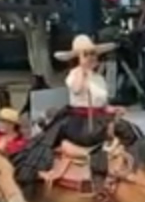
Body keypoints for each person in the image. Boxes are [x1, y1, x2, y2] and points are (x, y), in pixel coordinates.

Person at [17, 35, 127, 185]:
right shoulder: (74, 74)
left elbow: (101, 103)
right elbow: (76, 89)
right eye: (86, 55)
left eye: (93, 54)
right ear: (78, 58)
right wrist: (83, 69)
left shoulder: (99, 78)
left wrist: (113, 109)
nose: (92, 58)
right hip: (80, 121)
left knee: (128, 130)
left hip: (99, 117)